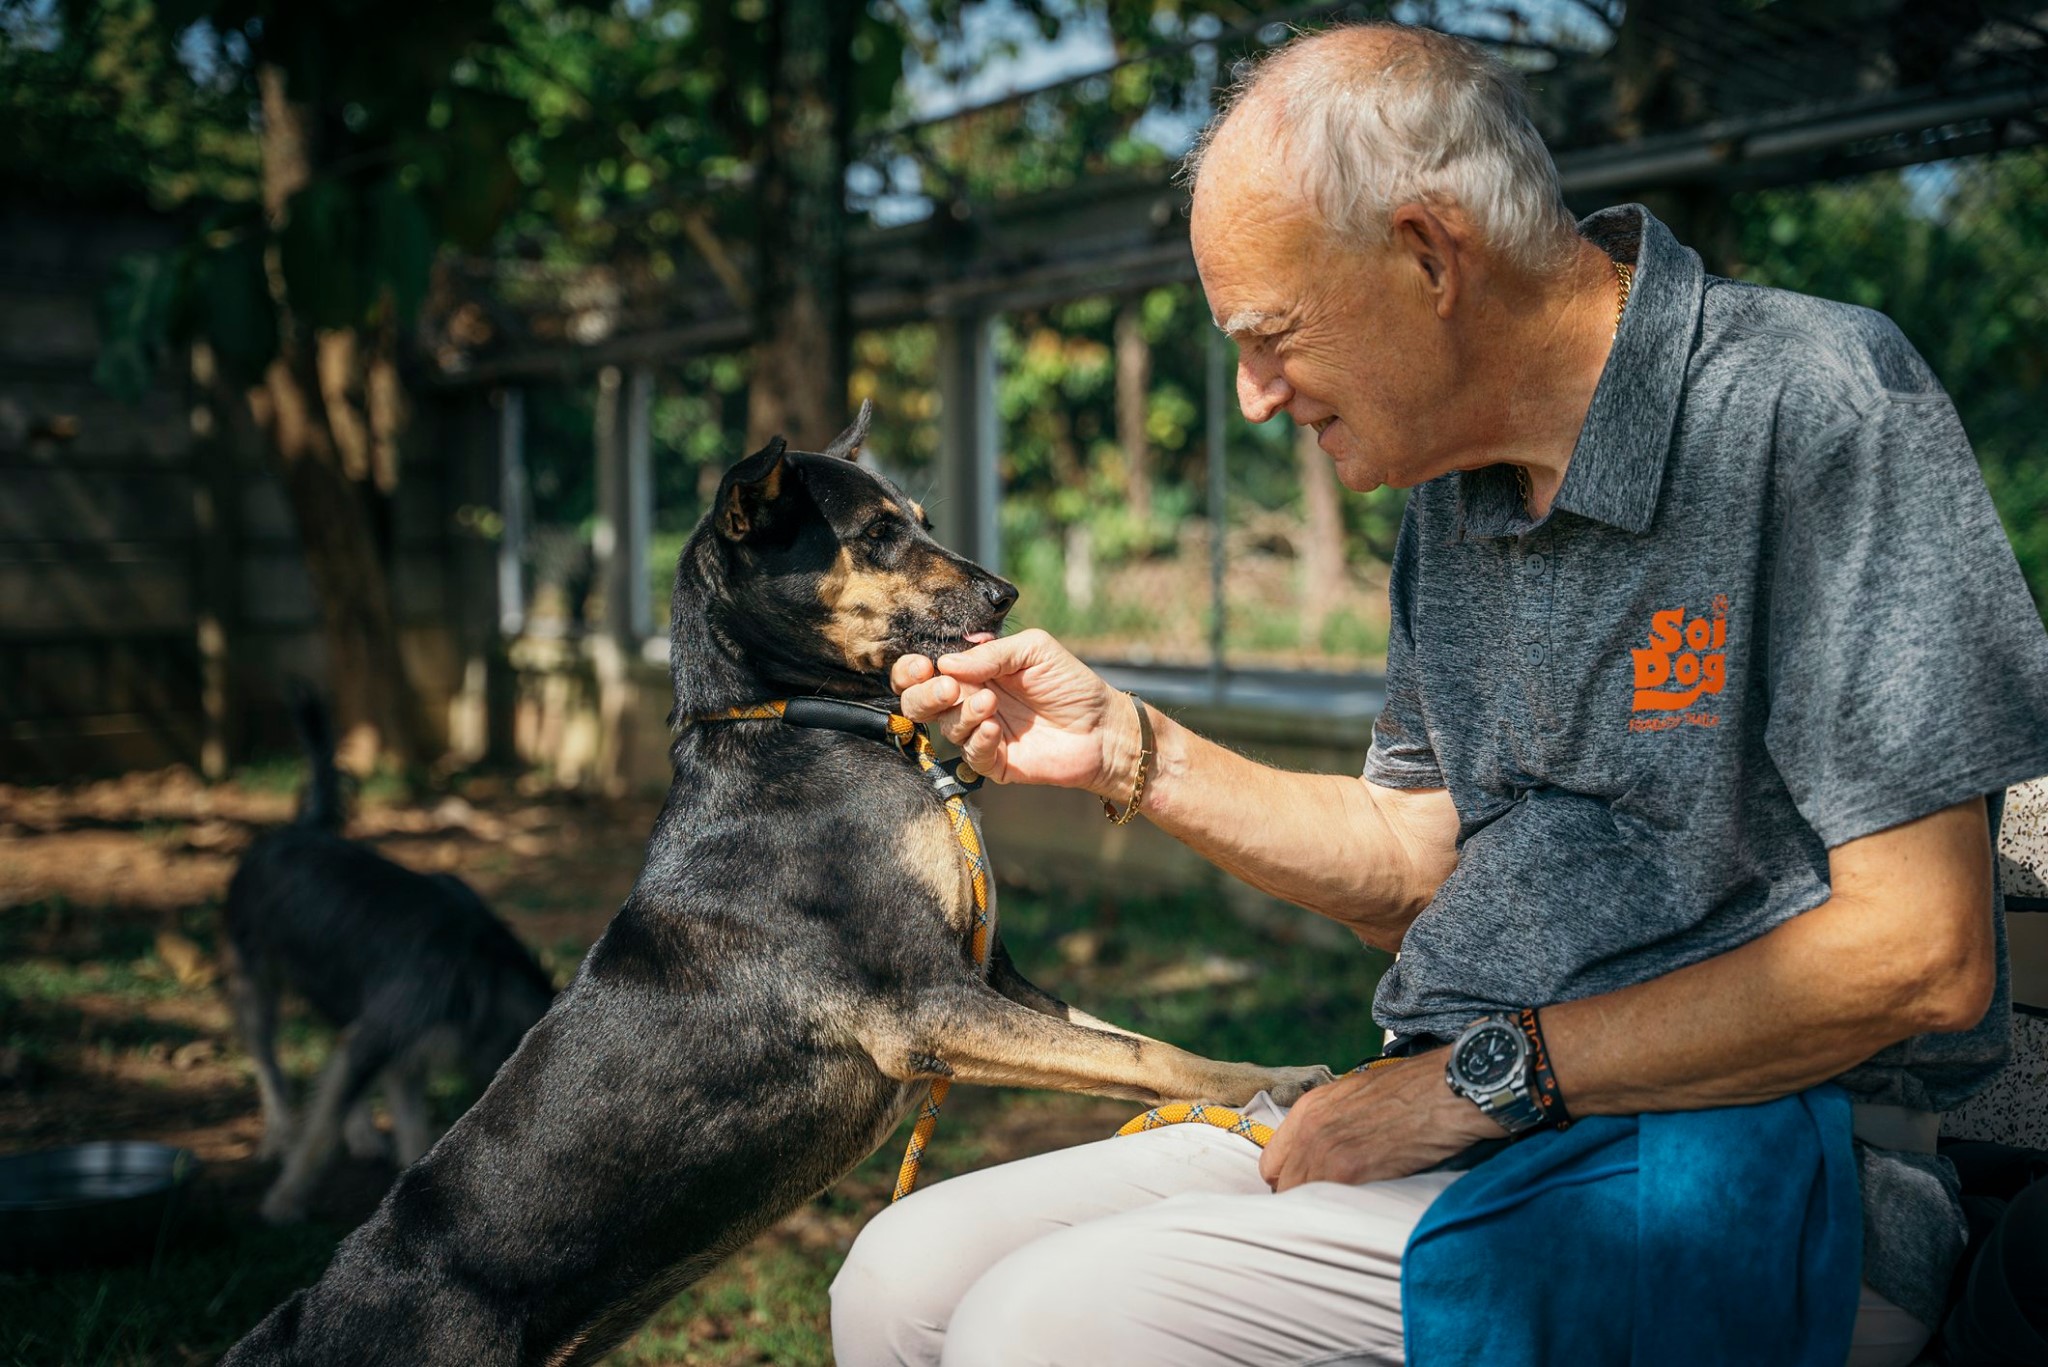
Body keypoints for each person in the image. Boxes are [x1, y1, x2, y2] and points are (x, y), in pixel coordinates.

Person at [830, 21, 2048, 1367]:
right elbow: (1417, 864)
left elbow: (1923, 952)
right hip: (1479, 1119)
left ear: (1428, 256)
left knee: (1046, 1326)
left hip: (1758, 1169)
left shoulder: (1811, 407)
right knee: (900, 1279)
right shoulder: (1448, 503)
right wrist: (1134, 750)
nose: (1248, 398)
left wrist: (1484, 1082)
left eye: (1272, 336)